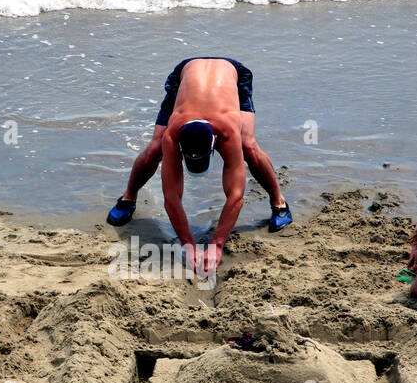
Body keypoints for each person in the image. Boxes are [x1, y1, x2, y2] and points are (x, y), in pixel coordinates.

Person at [105, 57, 291, 273]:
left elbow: (236, 196)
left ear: (215, 145)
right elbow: (171, 197)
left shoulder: (228, 131)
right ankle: (128, 198)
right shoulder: (172, 135)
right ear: (180, 146)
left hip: (232, 75)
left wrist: (217, 245)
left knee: (248, 145)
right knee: (155, 147)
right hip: (185, 73)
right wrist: (189, 245)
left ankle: (279, 203)